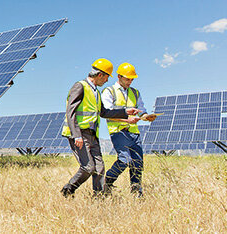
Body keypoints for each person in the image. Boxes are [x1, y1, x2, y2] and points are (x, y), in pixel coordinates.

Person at [60, 58, 141, 197]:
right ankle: (68, 190)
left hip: (92, 134)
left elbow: (104, 113)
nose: (106, 81)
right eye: (106, 78)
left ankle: (99, 198)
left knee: (99, 168)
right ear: (100, 75)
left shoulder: (96, 92)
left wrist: (126, 112)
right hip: (79, 133)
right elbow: (70, 111)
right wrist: (77, 135)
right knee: (88, 167)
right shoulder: (80, 86)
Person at [101, 62, 156, 197]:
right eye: (127, 79)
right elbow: (107, 113)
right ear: (119, 77)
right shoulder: (109, 92)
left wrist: (146, 116)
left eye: (132, 79)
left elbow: (141, 110)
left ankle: (137, 192)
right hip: (118, 131)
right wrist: (126, 119)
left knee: (137, 162)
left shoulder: (135, 92)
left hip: (134, 132)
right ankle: (107, 183)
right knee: (124, 159)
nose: (130, 82)